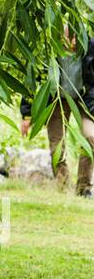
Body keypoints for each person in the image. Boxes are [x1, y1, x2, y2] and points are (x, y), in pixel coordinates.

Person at [21, 29, 94, 197]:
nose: (72, 42)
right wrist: (26, 115)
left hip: (85, 100)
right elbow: (32, 81)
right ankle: (62, 186)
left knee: (91, 138)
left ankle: (83, 188)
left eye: (75, 37)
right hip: (57, 100)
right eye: (68, 37)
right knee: (56, 146)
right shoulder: (49, 50)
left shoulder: (90, 48)